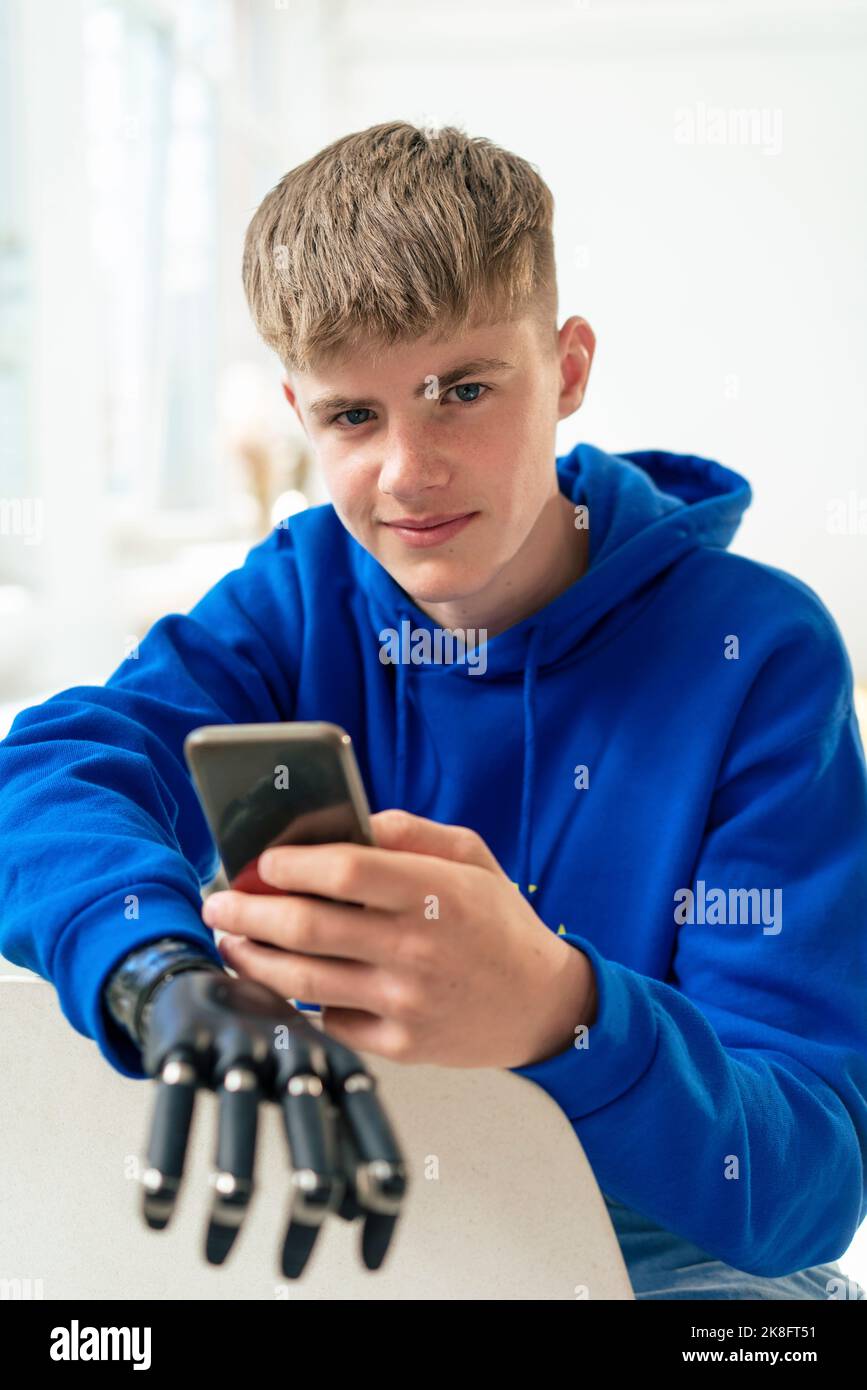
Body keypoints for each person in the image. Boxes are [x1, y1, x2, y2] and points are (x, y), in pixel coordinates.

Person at [1, 119, 866, 1301]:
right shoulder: (298, 593)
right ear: (301, 412)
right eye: (355, 417)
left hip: (663, 1258)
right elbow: (47, 773)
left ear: (566, 371)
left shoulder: (760, 651)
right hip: (367, 1214)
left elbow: (806, 1186)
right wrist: (156, 971)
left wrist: (560, 1012)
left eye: (461, 390)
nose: (408, 470)